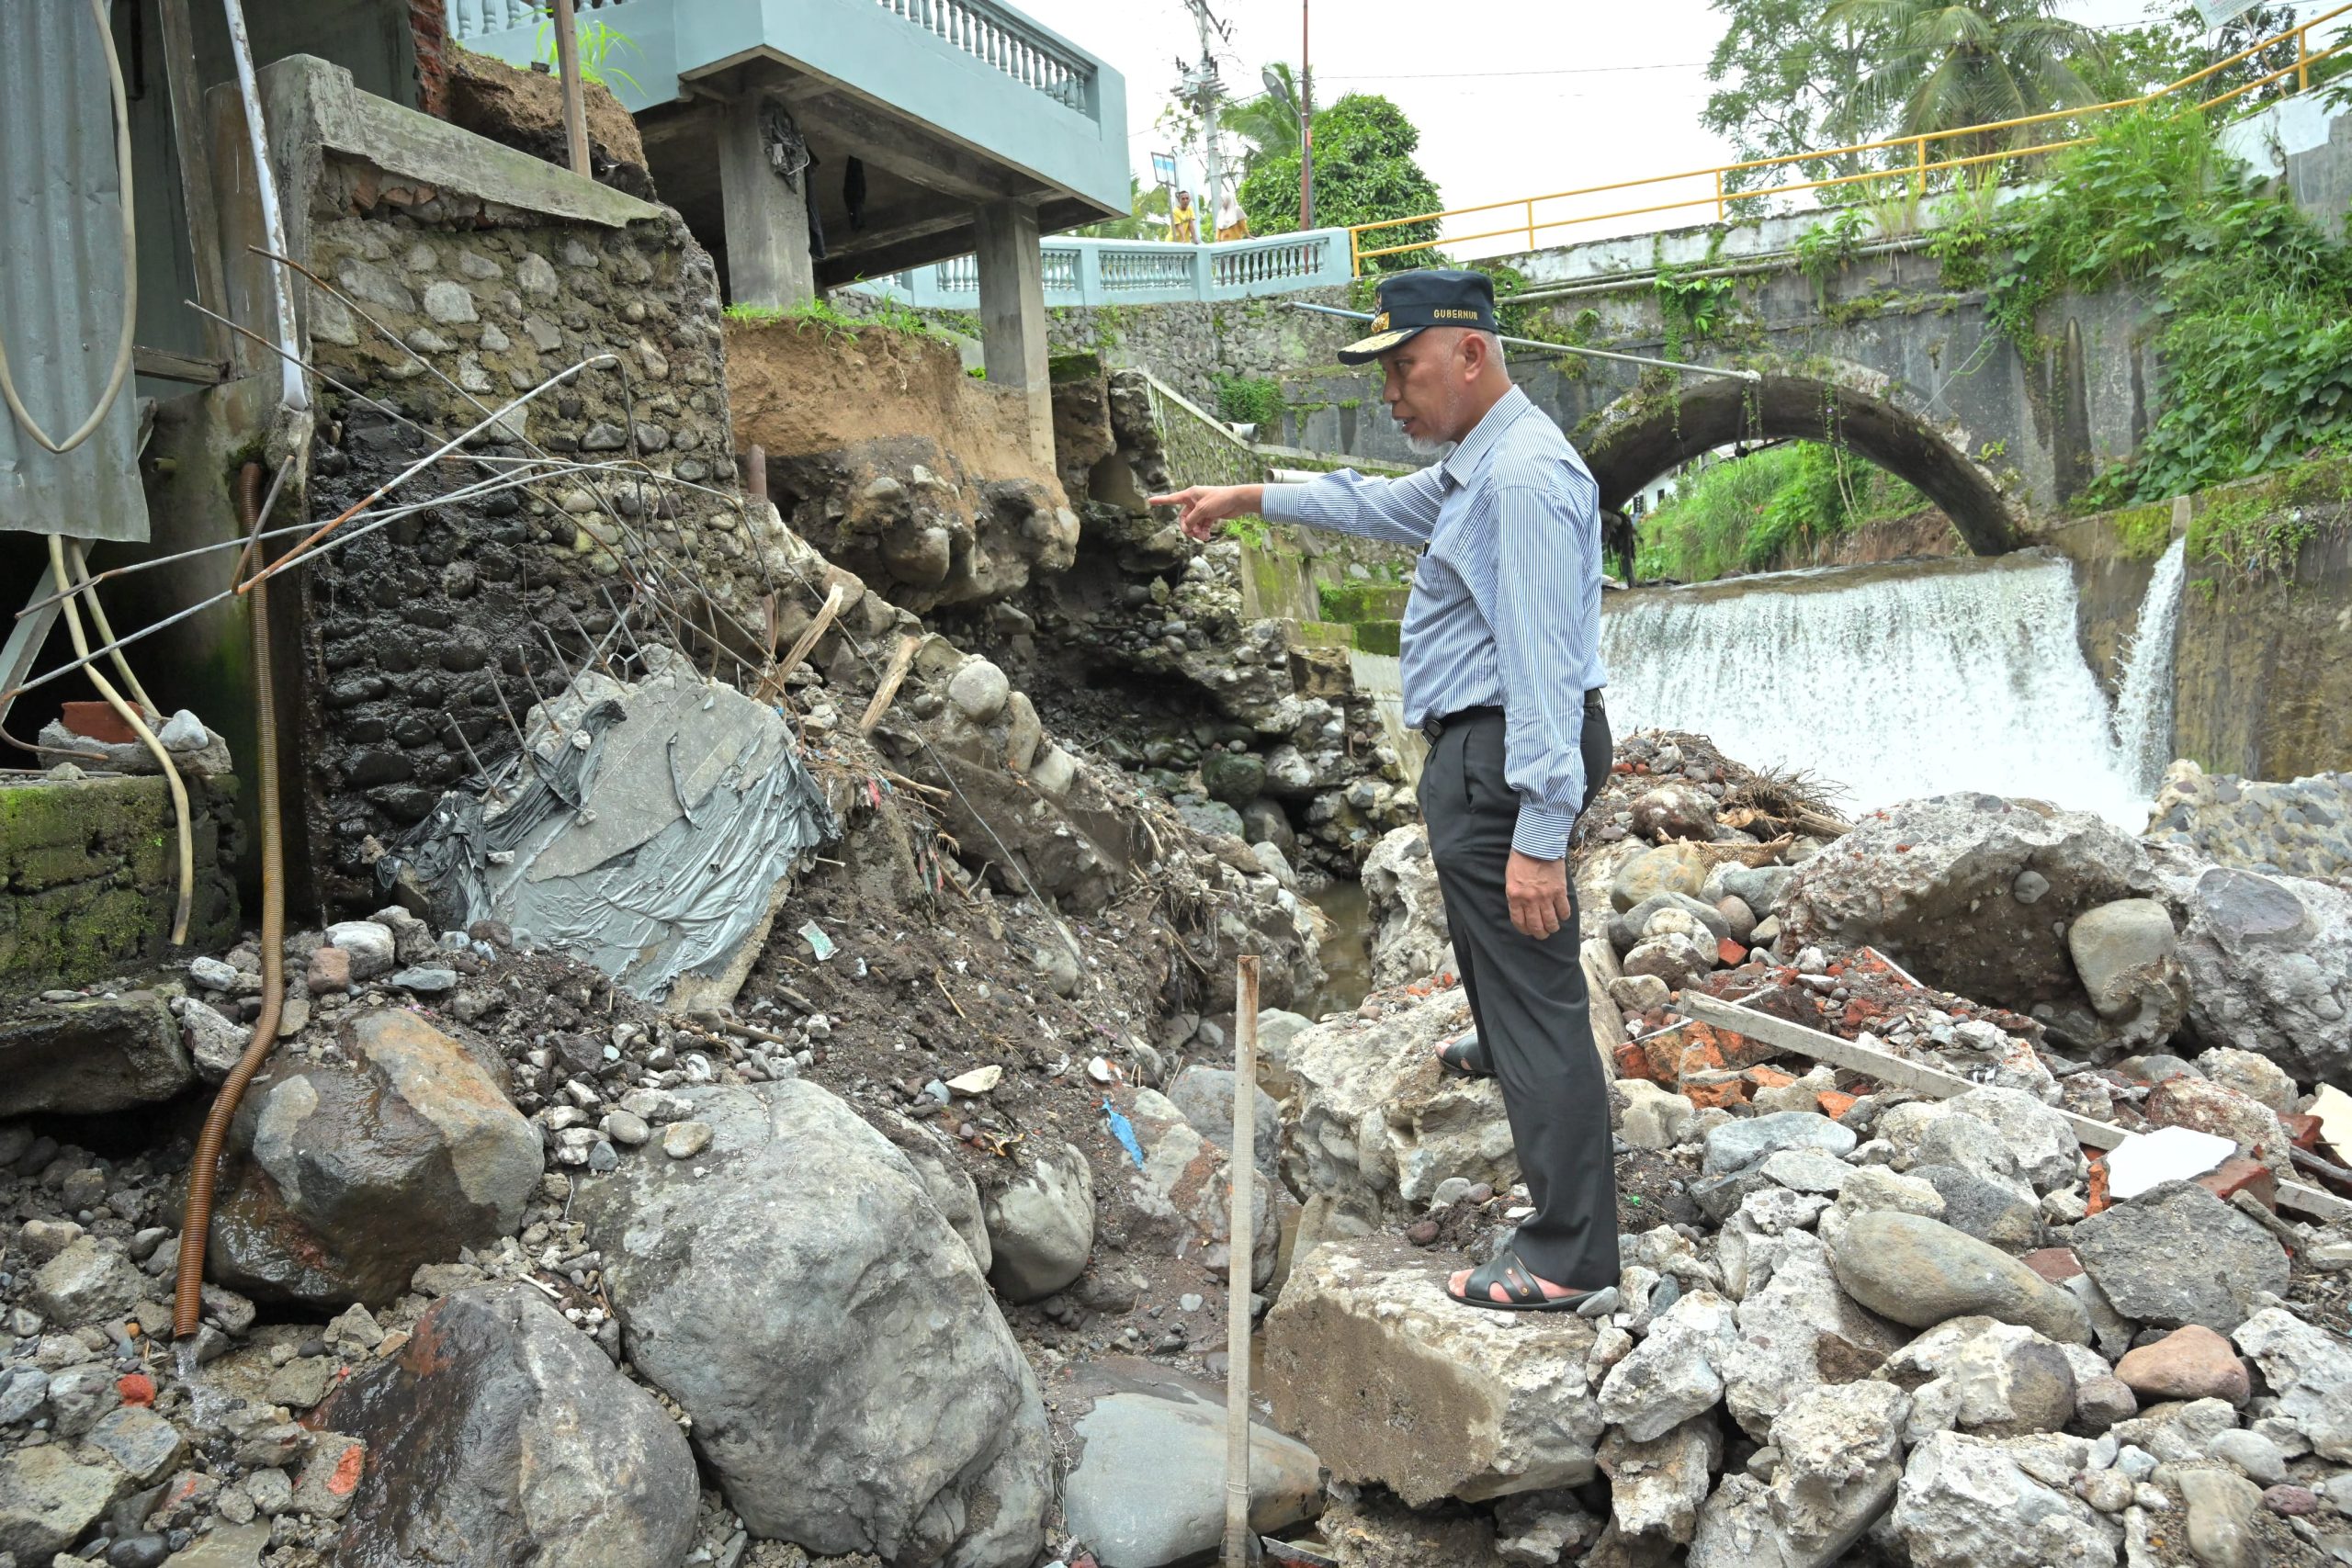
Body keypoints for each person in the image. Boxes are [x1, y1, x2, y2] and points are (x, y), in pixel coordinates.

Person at [1149, 269, 1618, 1314]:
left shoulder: (1519, 482)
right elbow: (1369, 503)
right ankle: (1498, 1039)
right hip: (1481, 751)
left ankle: (1567, 1253)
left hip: (1509, 753)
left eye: (1404, 369)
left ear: (1468, 354)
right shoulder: (1473, 466)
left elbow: (1545, 663)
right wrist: (1247, 496)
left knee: (1541, 993)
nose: (1392, 396)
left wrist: (1541, 831)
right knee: (1495, 952)